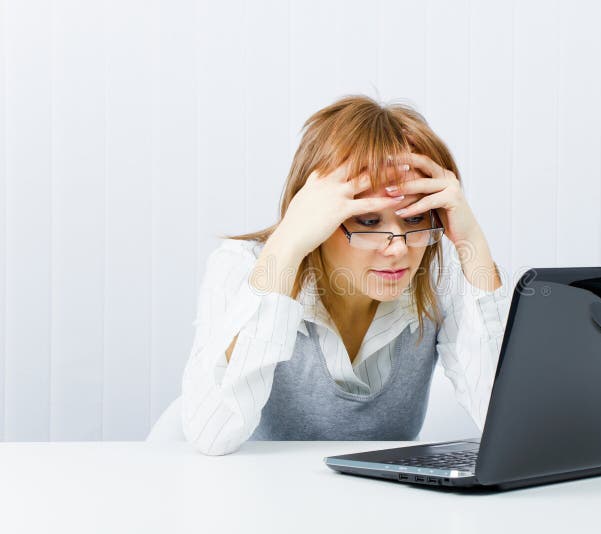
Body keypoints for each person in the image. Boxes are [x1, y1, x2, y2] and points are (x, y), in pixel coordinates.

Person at [180, 94, 511, 455]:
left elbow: (511, 425)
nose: (398, 248)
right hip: (268, 500)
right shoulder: (240, 266)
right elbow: (212, 435)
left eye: (415, 218)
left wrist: (473, 243)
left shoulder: (437, 272)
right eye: (369, 222)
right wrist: (287, 243)